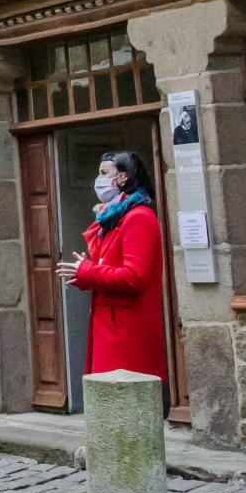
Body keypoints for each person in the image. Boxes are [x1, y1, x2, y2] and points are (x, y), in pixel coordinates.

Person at [56, 150, 169, 412]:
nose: (99, 179)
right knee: (109, 404)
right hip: (110, 323)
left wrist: (88, 271)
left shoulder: (138, 217)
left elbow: (135, 277)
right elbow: (109, 268)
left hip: (126, 329)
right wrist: (83, 272)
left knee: (124, 407)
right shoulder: (114, 218)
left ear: (123, 177)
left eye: (104, 173)